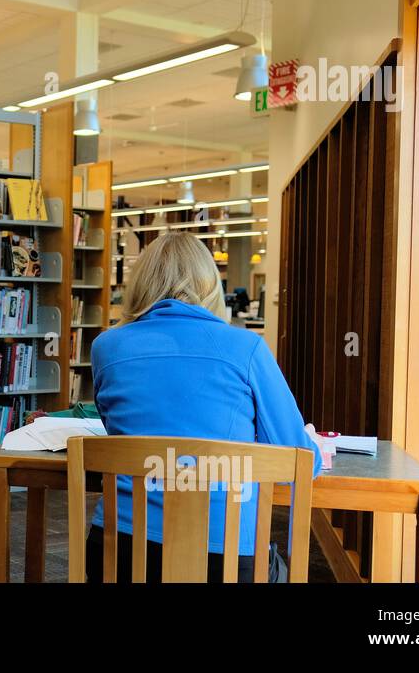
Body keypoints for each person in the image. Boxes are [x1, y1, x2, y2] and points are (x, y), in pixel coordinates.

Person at [88, 231, 321, 583]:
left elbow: (116, 430)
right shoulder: (246, 348)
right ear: (210, 285)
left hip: (119, 551)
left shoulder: (106, 347)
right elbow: (301, 461)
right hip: (222, 559)